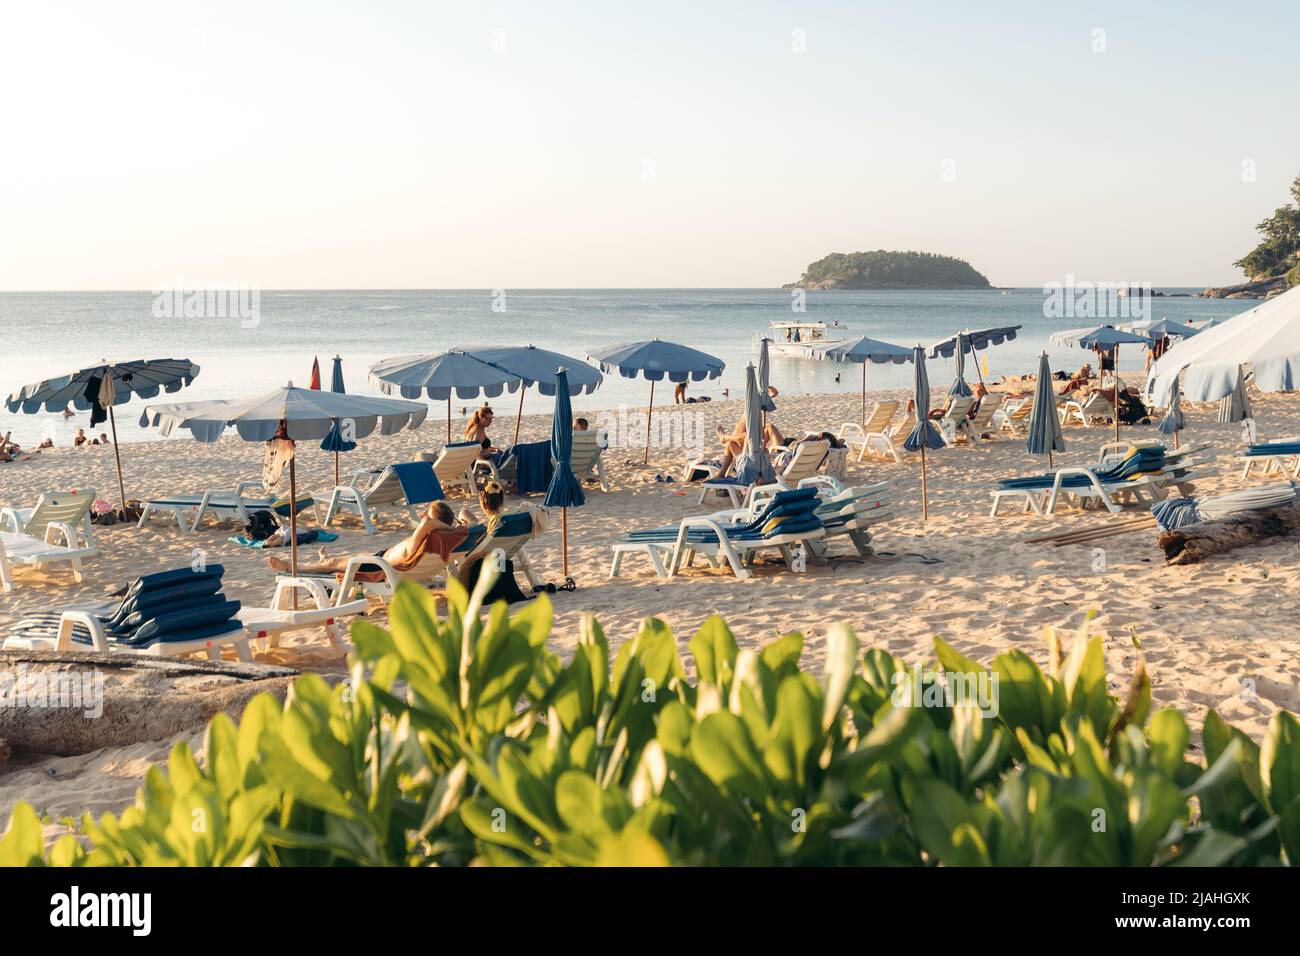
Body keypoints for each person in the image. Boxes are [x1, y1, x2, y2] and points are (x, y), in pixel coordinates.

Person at [268, 500, 474, 579]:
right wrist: (453, 524)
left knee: (333, 564)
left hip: (380, 567)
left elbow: (428, 524)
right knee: (342, 560)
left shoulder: (424, 537)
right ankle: (325, 560)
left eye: (426, 513)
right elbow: (466, 512)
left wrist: (431, 522)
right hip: (381, 558)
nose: (423, 515)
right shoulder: (448, 536)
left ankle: (290, 567)